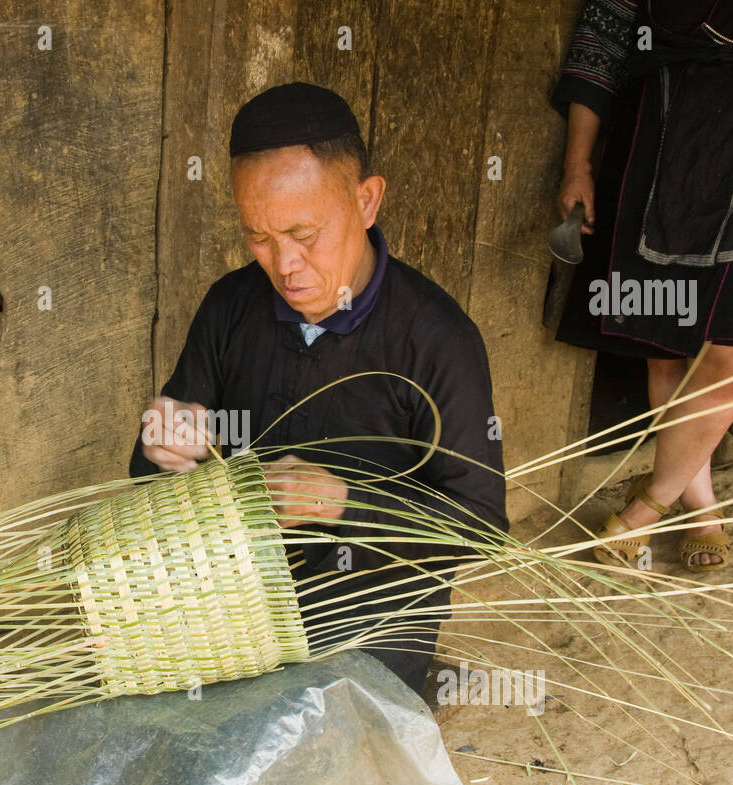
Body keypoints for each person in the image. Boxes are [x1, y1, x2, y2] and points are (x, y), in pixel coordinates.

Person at [128, 82, 508, 692]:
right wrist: (161, 447)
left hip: (372, 622)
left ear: (366, 200)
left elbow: (479, 523)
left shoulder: (437, 339)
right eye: (258, 237)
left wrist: (345, 503)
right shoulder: (231, 305)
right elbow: (159, 474)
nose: (284, 266)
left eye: (304, 235)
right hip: (241, 598)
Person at [552, 0, 733, 571]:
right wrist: (577, 164)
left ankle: (645, 509)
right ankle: (703, 507)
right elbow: (597, 55)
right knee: (666, 341)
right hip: (657, 133)